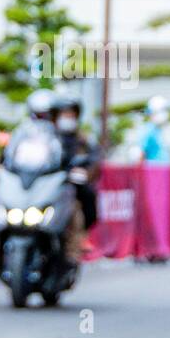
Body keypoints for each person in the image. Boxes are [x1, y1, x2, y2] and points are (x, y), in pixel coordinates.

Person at [51, 94, 100, 263]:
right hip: (46, 185)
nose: (67, 118)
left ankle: (75, 247)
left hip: (71, 187)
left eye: (71, 115)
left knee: (79, 205)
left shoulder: (83, 139)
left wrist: (85, 173)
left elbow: (94, 162)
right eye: (64, 115)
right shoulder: (47, 137)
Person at [137, 95, 170, 164]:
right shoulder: (148, 130)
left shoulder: (159, 130)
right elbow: (141, 154)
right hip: (152, 171)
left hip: (162, 170)